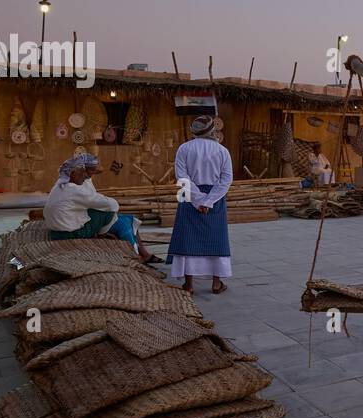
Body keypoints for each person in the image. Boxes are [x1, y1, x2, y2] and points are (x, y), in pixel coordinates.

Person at [44, 153, 159, 264]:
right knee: (112, 215)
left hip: (57, 232)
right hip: (70, 234)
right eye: (84, 172)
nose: (86, 175)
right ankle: (136, 255)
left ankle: (143, 253)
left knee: (124, 218)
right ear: (73, 174)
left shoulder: (59, 185)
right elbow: (110, 205)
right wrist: (108, 204)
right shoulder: (74, 189)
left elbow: (91, 199)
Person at [169, 115, 233, 294]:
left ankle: (189, 284)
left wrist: (197, 201)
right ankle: (216, 283)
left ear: (194, 130)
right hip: (215, 198)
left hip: (188, 195)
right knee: (216, 239)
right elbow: (226, 180)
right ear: (212, 130)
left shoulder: (184, 148)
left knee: (188, 239)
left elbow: (182, 177)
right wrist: (208, 201)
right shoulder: (222, 151)